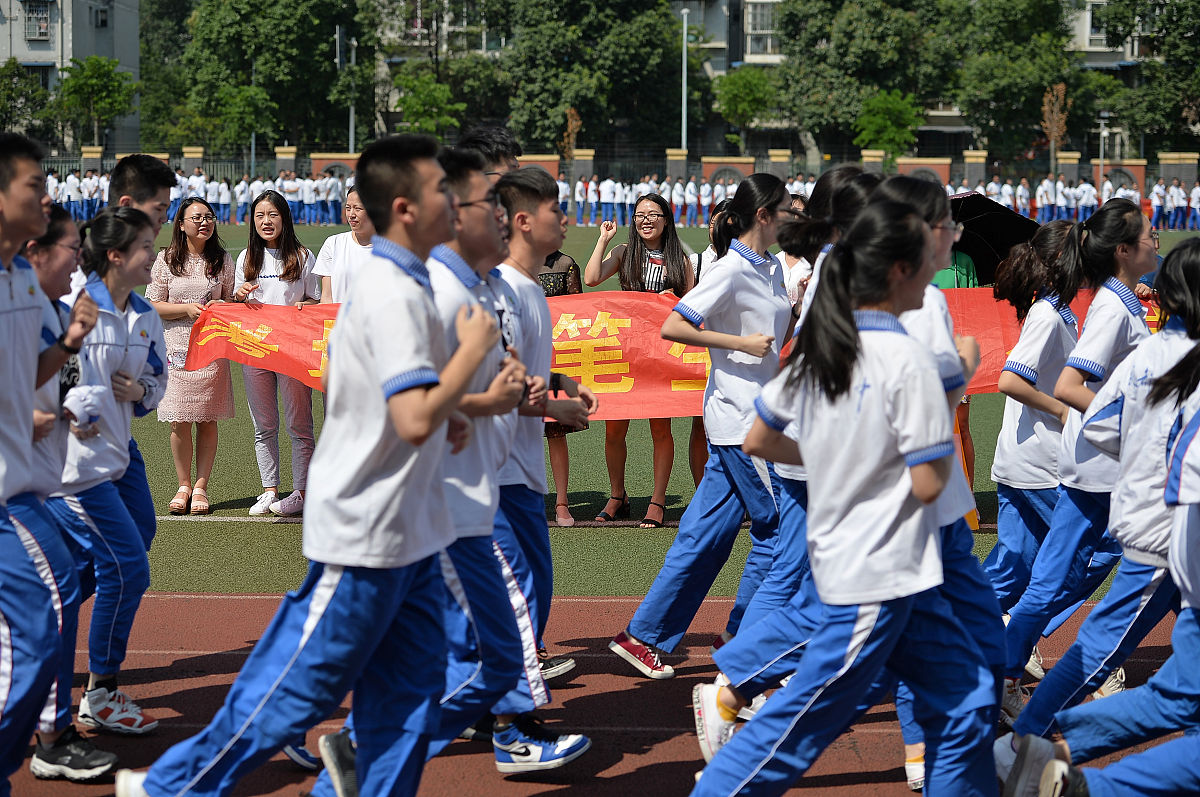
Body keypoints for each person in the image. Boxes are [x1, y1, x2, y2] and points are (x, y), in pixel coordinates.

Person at [115, 132, 498, 797]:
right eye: (443, 189)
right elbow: (412, 415)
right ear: (406, 207)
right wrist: (472, 350)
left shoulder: (412, 285)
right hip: (367, 535)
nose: (457, 203)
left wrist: (460, 414)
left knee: (408, 700)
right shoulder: (395, 294)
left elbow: (411, 411)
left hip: (412, 529)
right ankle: (166, 788)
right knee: (290, 697)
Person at [692, 200, 994, 796]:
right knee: (803, 719)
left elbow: (761, 436)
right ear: (900, 271)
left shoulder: (826, 343)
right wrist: (955, 378)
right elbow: (932, 482)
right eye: (928, 260)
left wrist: (839, 463)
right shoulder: (909, 360)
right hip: (878, 572)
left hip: (892, 566)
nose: (937, 270)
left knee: (970, 696)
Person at [996, 239, 1200, 797]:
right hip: (1163, 526)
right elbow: (1057, 391)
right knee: (1062, 603)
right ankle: (1028, 746)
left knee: (1173, 684)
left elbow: (1103, 424)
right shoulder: (1117, 317)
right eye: (1142, 236)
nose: (1151, 242)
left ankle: (1034, 747)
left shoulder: (1145, 350)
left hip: (1137, 512)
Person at [610, 173, 793, 679]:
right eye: (786, 210)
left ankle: (643, 636)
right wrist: (737, 344)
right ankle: (746, 639)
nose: (792, 219)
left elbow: (776, 331)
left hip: (753, 414)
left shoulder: (773, 266)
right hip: (741, 420)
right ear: (763, 215)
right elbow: (674, 324)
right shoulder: (732, 267)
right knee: (780, 526)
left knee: (703, 534)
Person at [999, 198, 1158, 726]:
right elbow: (1070, 386)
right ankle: (1082, 666)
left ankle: (1004, 665)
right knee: (1136, 564)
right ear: (1123, 250)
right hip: (1095, 469)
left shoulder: (1121, 301)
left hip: (1097, 467)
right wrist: (1127, 419)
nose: (1157, 240)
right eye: (1148, 234)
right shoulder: (1109, 308)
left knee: (1045, 576)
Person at [44, 206, 166, 739]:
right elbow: (50, 372)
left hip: (116, 461)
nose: (154, 256)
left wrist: (139, 392)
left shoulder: (144, 316)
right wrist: (75, 402)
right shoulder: (75, 306)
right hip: (73, 470)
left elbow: (158, 380)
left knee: (121, 551)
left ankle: (44, 634)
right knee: (128, 568)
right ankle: (99, 691)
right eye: (145, 246)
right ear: (115, 255)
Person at [14, 203, 118, 782]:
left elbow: (42, 380)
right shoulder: (16, 306)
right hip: (14, 491)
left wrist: (73, 345)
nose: (80, 258)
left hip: (35, 483)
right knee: (57, 590)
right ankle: (50, 735)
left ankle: (51, 733)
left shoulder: (50, 310)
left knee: (56, 590)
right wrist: (27, 417)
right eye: (72, 248)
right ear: (36, 251)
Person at [0, 133, 80, 795]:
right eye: (33, 185)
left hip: (21, 487)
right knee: (47, 617)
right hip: (4, 497)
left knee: (60, 595)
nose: (46, 195)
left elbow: (30, 371)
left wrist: (71, 341)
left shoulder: (22, 277)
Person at [984, 221, 1077, 624]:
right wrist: (1061, 410)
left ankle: (938, 637)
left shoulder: (1055, 310)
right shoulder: (1048, 315)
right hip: (1041, 462)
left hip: (1020, 461)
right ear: (1061, 258)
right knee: (1095, 547)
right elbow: (1010, 380)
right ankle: (1027, 628)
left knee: (1011, 569)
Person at [585, 191, 695, 528]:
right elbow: (590, 279)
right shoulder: (624, 252)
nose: (645, 220)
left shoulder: (682, 258)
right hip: (625, 350)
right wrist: (603, 240)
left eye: (653, 214)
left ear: (666, 219)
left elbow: (694, 305)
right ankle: (618, 495)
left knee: (661, 430)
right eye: (639, 215)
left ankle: (658, 501)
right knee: (614, 429)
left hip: (662, 352)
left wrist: (673, 300)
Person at [146, 197, 235, 517]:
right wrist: (184, 309)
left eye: (209, 217)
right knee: (178, 421)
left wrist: (227, 305)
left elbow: (229, 303)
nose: (204, 222)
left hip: (211, 351)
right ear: (180, 224)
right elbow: (153, 305)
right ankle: (183, 484)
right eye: (196, 218)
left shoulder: (223, 260)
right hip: (175, 349)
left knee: (207, 419)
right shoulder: (166, 260)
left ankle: (201, 487)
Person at [234, 190, 320, 518]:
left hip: (293, 351)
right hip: (255, 350)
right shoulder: (246, 258)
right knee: (264, 425)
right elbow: (235, 302)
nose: (266, 222)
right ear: (252, 221)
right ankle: (269, 489)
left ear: (284, 218)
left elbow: (316, 300)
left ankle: (302, 491)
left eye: (272, 215)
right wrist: (238, 294)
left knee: (299, 424)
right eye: (259, 216)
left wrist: (305, 305)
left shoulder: (301, 255)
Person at [538, 249, 585, 527]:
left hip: (555, 358)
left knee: (555, 431)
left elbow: (578, 312)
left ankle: (562, 502)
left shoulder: (566, 263)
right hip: (517, 358)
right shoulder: (507, 261)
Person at [314, 187, 374, 305]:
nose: (351, 214)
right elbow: (326, 298)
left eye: (358, 208)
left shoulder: (392, 249)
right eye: (348, 208)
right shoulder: (333, 244)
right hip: (339, 321)